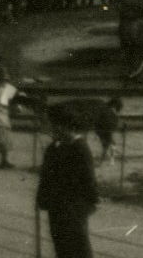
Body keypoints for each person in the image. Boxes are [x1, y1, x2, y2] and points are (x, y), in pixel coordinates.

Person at [37, 105, 99, 258]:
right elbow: (45, 176)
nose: (49, 128)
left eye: (51, 124)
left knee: (78, 247)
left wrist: (92, 200)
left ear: (63, 125)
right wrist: (41, 198)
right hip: (56, 206)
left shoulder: (79, 148)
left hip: (74, 207)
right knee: (61, 246)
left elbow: (88, 179)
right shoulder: (54, 147)